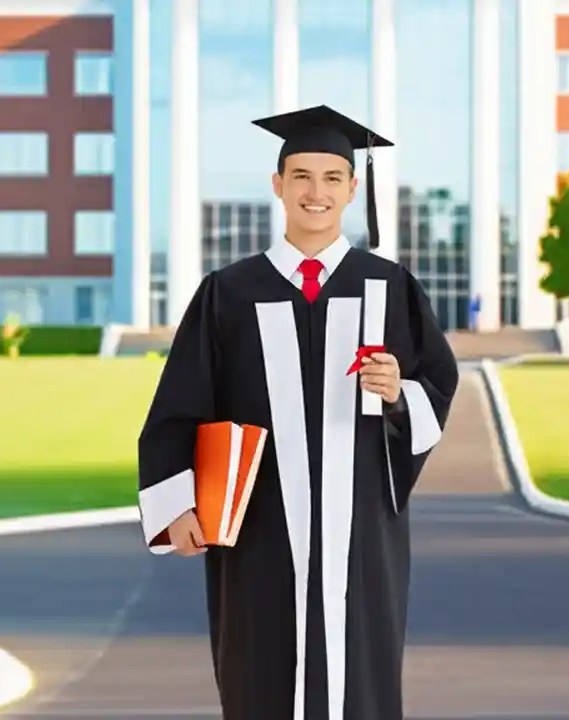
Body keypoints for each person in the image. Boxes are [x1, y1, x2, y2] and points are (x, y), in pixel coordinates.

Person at [136, 104, 459, 720]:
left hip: (360, 528)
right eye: (303, 176)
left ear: (352, 189)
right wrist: (177, 504)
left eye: (333, 177)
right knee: (258, 672)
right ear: (278, 185)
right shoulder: (229, 293)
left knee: (359, 676)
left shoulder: (388, 287)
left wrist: (397, 393)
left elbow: (435, 390)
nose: (317, 192)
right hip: (258, 527)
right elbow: (180, 403)